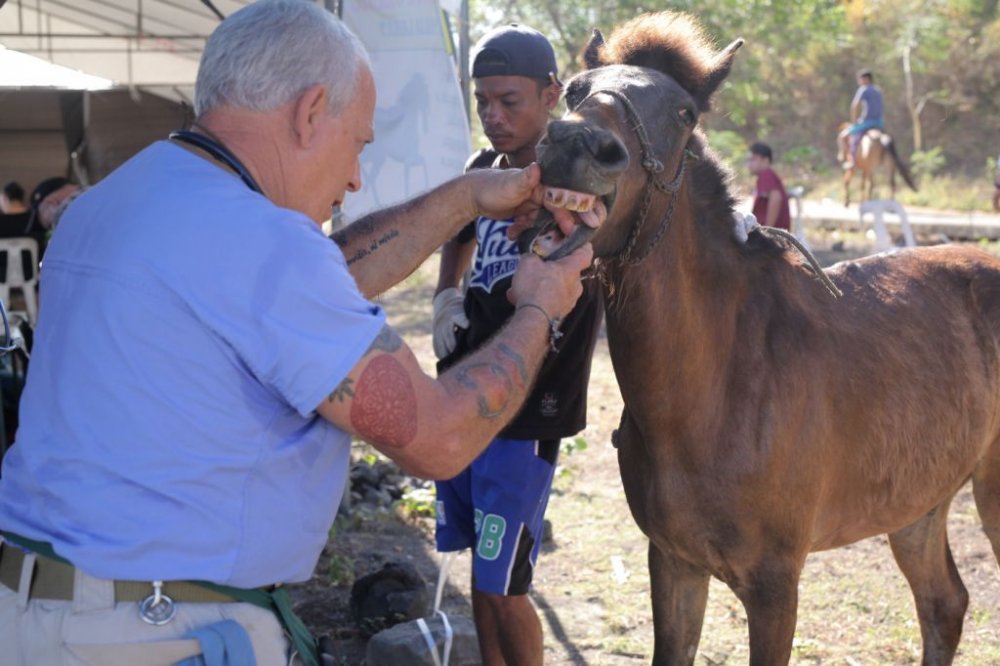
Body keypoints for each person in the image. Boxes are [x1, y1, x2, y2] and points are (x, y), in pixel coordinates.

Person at [0, 2, 599, 665]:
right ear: (312, 111)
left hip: (33, 608)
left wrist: (466, 195)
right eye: (358, 144)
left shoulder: (118, 201)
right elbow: (440, 437)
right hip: (157, 632)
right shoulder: (262, 244)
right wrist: (541, 307)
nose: (354, 178)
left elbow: (309, 281)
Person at [431, 24, 604, 666]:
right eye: (483, 102)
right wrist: (445, 295)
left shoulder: (575, 175)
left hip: (527, 407)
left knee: (507, 585)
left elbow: (603, 218)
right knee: (483, 571)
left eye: (510, 101)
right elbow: (457, 230)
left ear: (552, 93)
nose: (494, 116)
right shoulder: (484, 170)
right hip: (466, 392)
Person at [838, 69, 885, 169]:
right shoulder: (878, 90)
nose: (859, 82)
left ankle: (852, 162)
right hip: (880, 122)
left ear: (866, 79)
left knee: (846, 136)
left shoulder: (863, 89)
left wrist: (854, 121)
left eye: (860, 79)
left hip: (867, 122)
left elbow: (855, 105)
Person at [747, 142, 791, 231]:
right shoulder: (768, 175)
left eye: (753, 159)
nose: (750, 164)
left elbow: (776, 198)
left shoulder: (766, 175)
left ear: (765, 160)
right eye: (749, 160)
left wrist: (768, 230)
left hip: (773, 234)